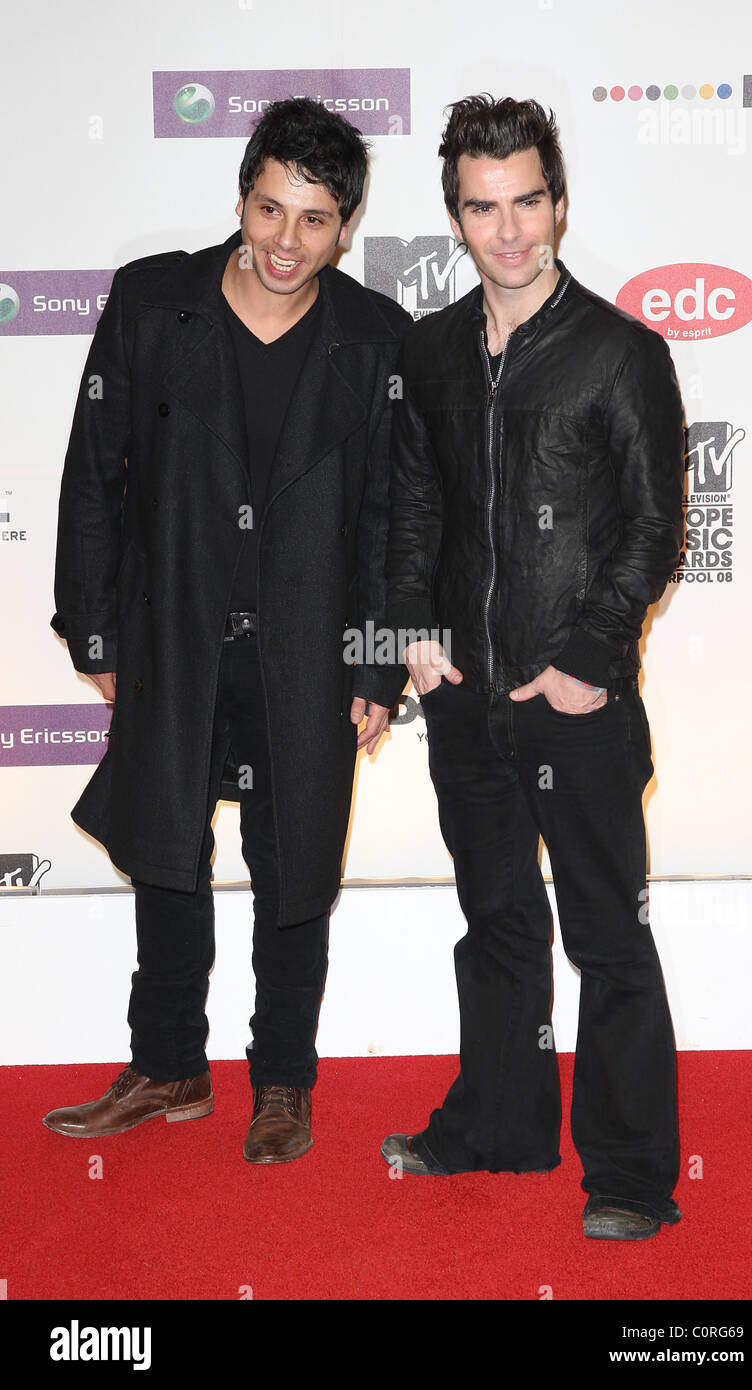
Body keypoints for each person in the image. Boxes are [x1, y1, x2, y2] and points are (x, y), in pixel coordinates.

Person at [44, 97, 408, 1163]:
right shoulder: (151, 303)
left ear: (345, 226)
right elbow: (92, 478)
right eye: (268, 209)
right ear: (240, 194)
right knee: (165, 851)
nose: (285, 242)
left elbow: (394, 515)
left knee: (294, 865)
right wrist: (97, 634)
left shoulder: (376, 338)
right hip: (174, 628)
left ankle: (282, 1083)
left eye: (314, 219)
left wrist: (378, 663)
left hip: (308, 645)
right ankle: (168, 1067)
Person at [381, 94, 686, 1240]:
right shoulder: (425, 352)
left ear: (557, 204)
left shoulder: (619, 353)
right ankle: (498, 1128)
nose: (505, 231)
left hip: (577, 705)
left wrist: (584, 659)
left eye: (525, 204)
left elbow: (653, 530)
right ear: (454, 217)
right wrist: (412, 631)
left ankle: (627, 1177)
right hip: (464, 701)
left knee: (607, 937)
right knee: (497, 923)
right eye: (480, 208)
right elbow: (411, 505)